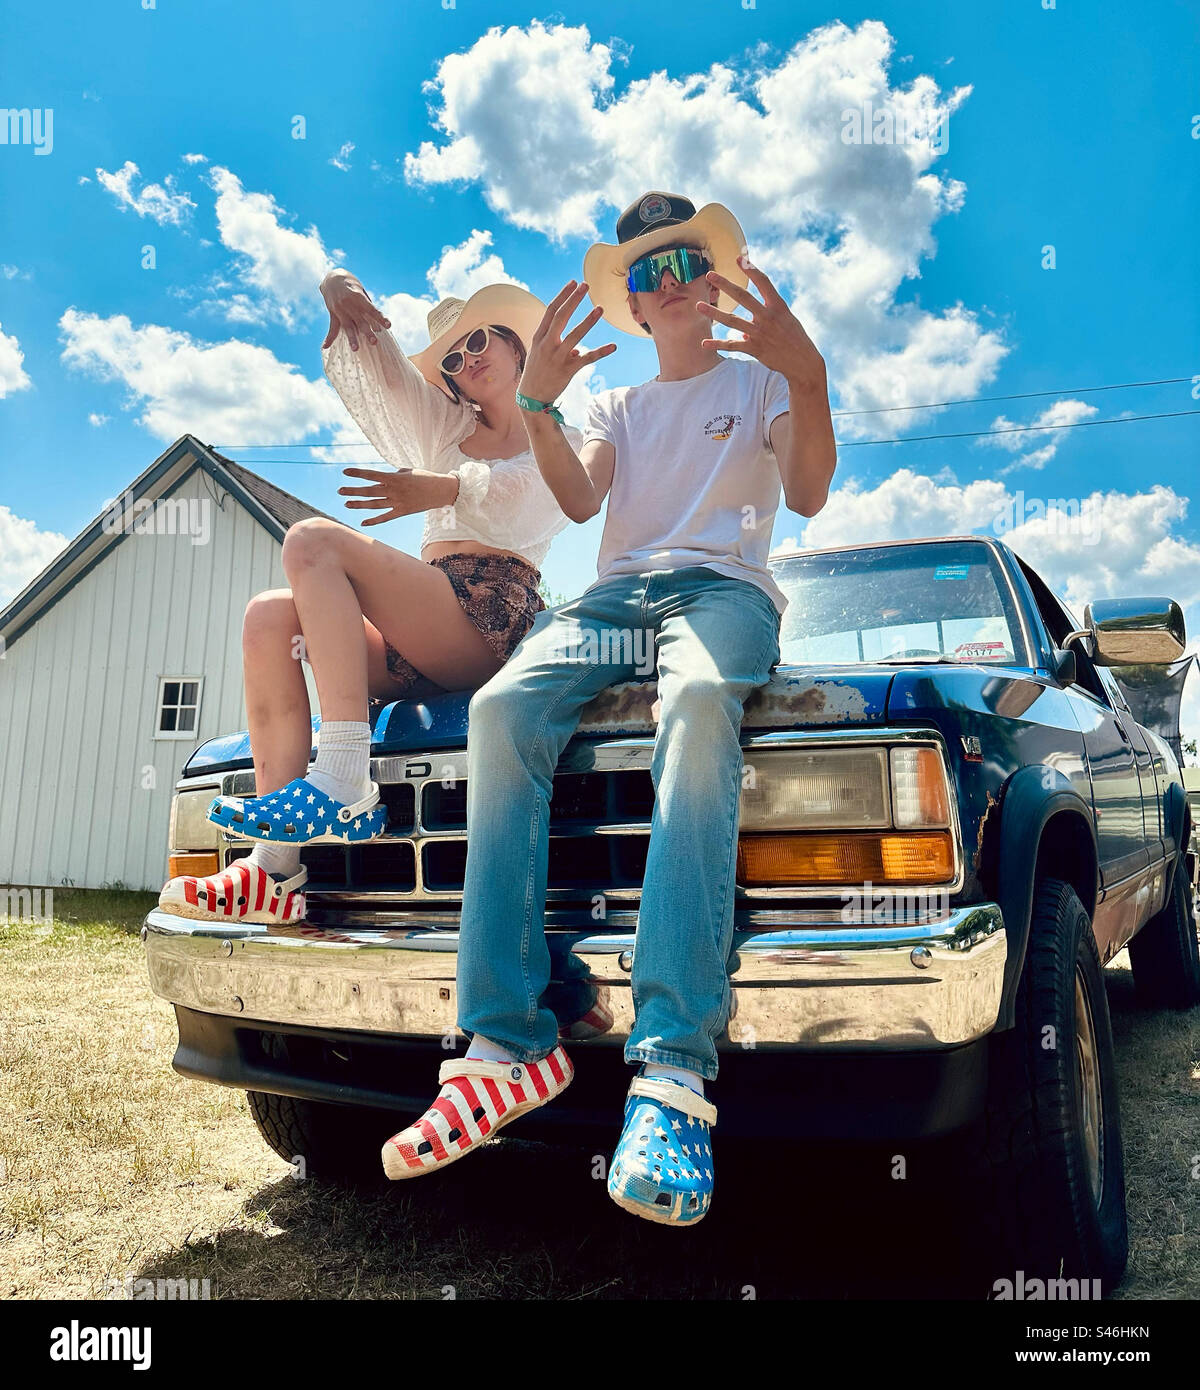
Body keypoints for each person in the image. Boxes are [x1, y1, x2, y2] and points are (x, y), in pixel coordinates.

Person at [381, 192, 837, 1226]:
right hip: (615, 594)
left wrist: (809, 377)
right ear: (630, 301)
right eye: (646, 273)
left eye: (684, 262)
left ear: (714, 278)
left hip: (722, 589)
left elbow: (806, 493)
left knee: (704, 699)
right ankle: (503, 1043)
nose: (668, 283)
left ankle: (673, 1071)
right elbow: (582, 502)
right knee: (500, 714)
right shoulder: (618, 408)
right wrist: (538, 407)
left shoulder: (762, 379)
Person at [157, 274, 578, 926]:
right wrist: (341, 296)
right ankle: (274, 870)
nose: (467, 361)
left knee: (312, 542)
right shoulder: (445, 428)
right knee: (269, 614)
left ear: (513, 342)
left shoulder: (556, 430)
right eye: (452, 361)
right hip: (426, 616)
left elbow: (533, 499)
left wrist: (442, 491)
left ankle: (345, 773)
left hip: (490, 614)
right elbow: (386, 381)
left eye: (475, 342)